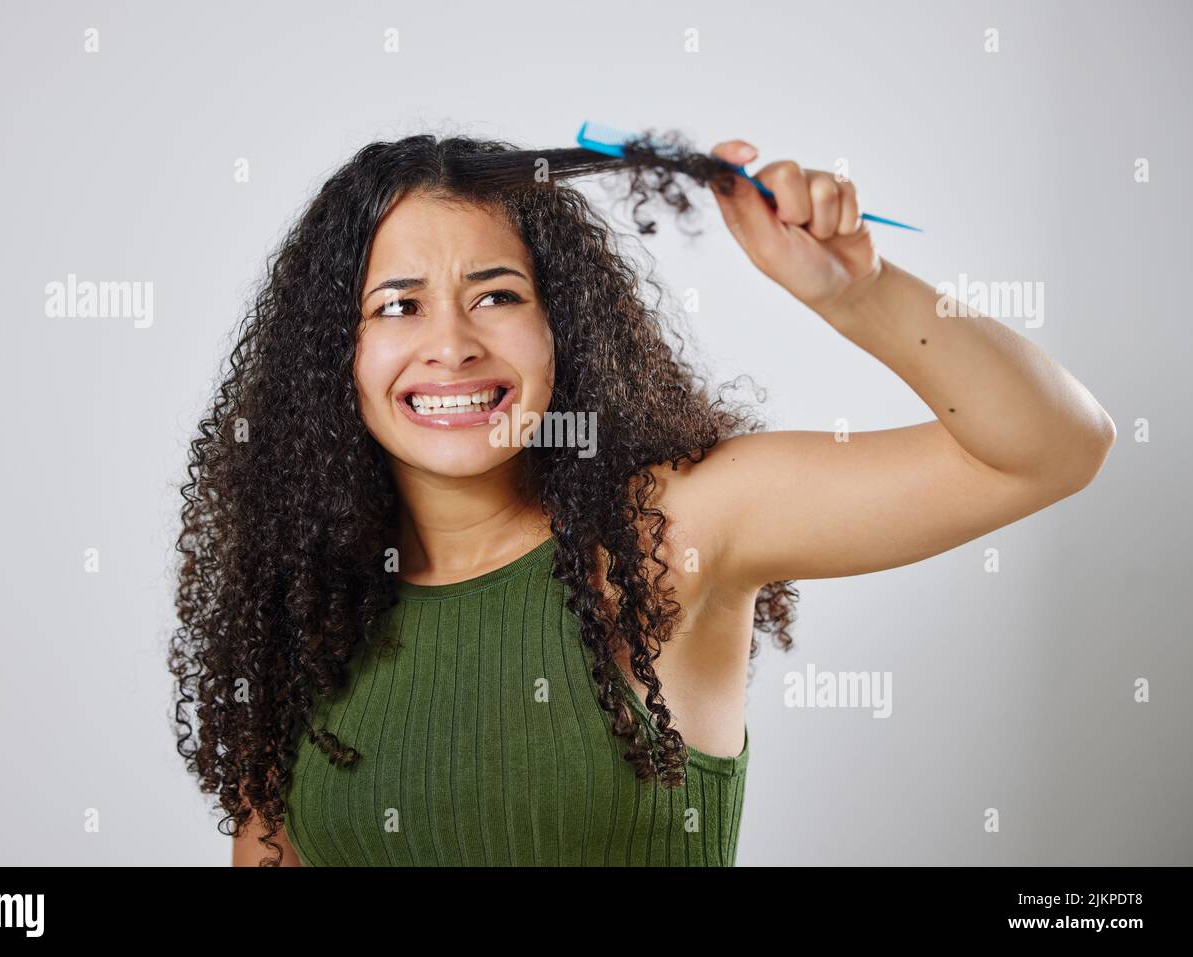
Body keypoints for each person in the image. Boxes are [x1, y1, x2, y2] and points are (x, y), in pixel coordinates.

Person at [170, 132, 1115, 866]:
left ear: (562, 329)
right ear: (333, 357)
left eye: (496, 295)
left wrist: (855, 292)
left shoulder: (672, 532)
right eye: (397, 305)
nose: (450, 344)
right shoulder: (304, 600)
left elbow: (1051, 449)